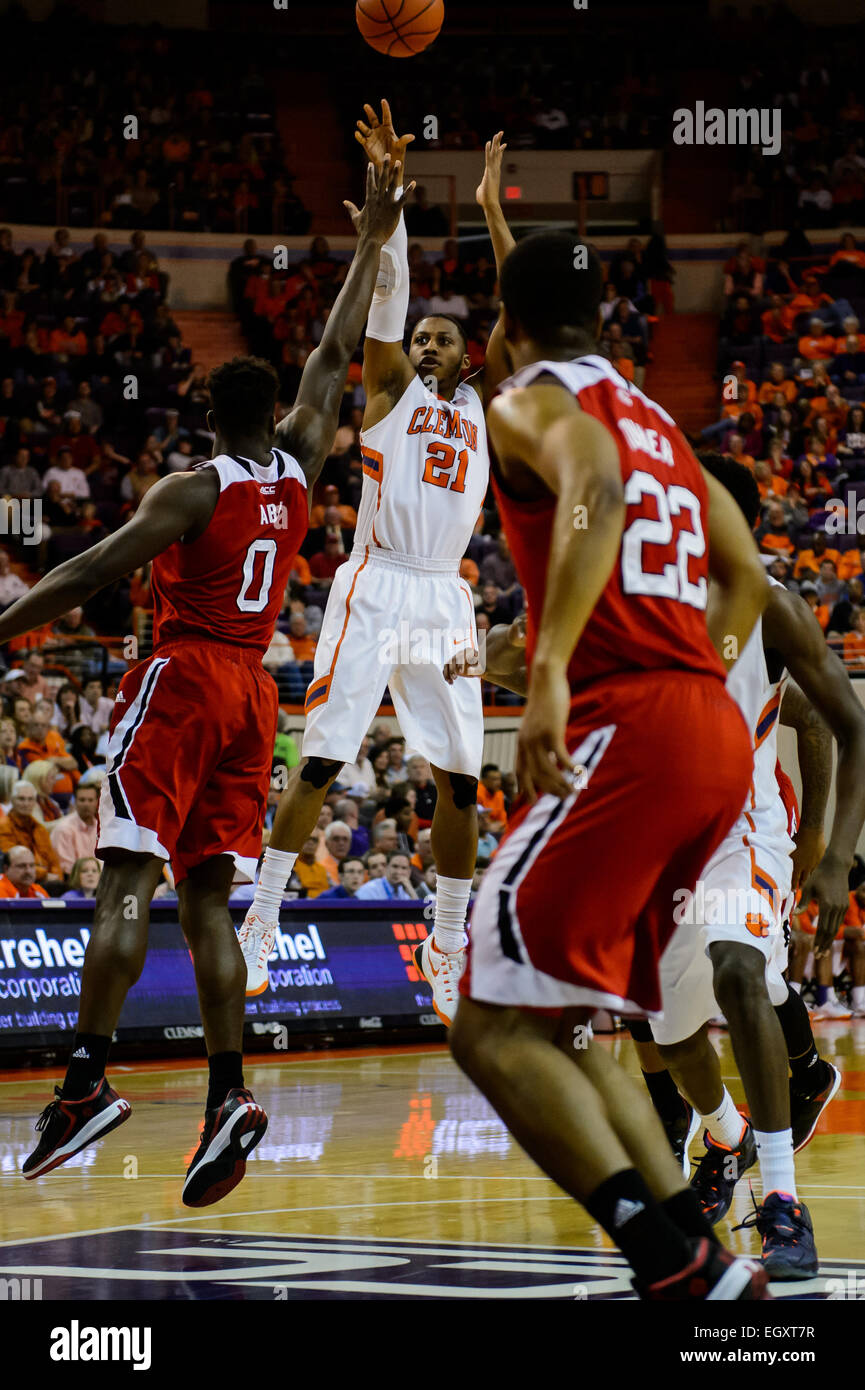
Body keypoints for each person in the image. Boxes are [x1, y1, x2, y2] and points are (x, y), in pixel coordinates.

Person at [1, 159, 407, 1204]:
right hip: (256, 691)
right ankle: (230, 1090)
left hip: (184, 677)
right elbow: (331, 354)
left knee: (125, 882)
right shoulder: (301, 465)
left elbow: (88, 570)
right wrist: (372, 239)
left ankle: (87, 1078)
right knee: (209, 904)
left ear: (208, 416)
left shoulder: (193, 488)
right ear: (275, 412)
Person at [446, 228, 770, 1301]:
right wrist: (694, 668)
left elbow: (588, 475)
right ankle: (706, 1258)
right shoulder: (666, 424)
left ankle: (663, 1259)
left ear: (505, 323)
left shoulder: (532, 402)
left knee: (486, 1024)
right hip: (706, 735)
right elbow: (745, 575)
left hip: (628, 725)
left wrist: (548, 669)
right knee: (574, 1024)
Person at [237, 105, 515, 1025]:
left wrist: (490, 208)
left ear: (467, 357)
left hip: (445, 595)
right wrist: (383, 206)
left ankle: (444, 942)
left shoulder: (485, 403)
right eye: (420, 337)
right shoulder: (390, 386)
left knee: (462, 780)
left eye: (444, 338)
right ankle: (264, 919)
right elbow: (387, 296)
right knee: (319, 762)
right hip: (375, 578)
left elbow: (525, 313)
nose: (426, 343)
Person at [631, 456, 865, 1277]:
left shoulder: (771, 607)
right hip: (662, 842)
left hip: (744, 834)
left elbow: (847, 725)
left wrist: (831, 855)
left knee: (737, 968)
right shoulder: (635, 597)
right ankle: (723, 1136)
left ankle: (781, 1201)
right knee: (670, 1035)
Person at [0, 780, 65, 890]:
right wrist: (45, 875)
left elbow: (53, 862)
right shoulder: (3, 826)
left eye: (30, 799)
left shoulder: (40, 829)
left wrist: (57, 876)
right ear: (12, 801)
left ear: (35, 803)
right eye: (21, 799)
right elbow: (14, 863)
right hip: (19, 881)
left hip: (46, 882)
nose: (26, 803)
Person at [49, 781, 100, 875]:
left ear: (97, 802)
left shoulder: (100, 828)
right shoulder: (63, 829)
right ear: (75, 802)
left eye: (90, 800)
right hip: (72, 881)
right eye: (82, 800)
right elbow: (65, 867)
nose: (86, 804)